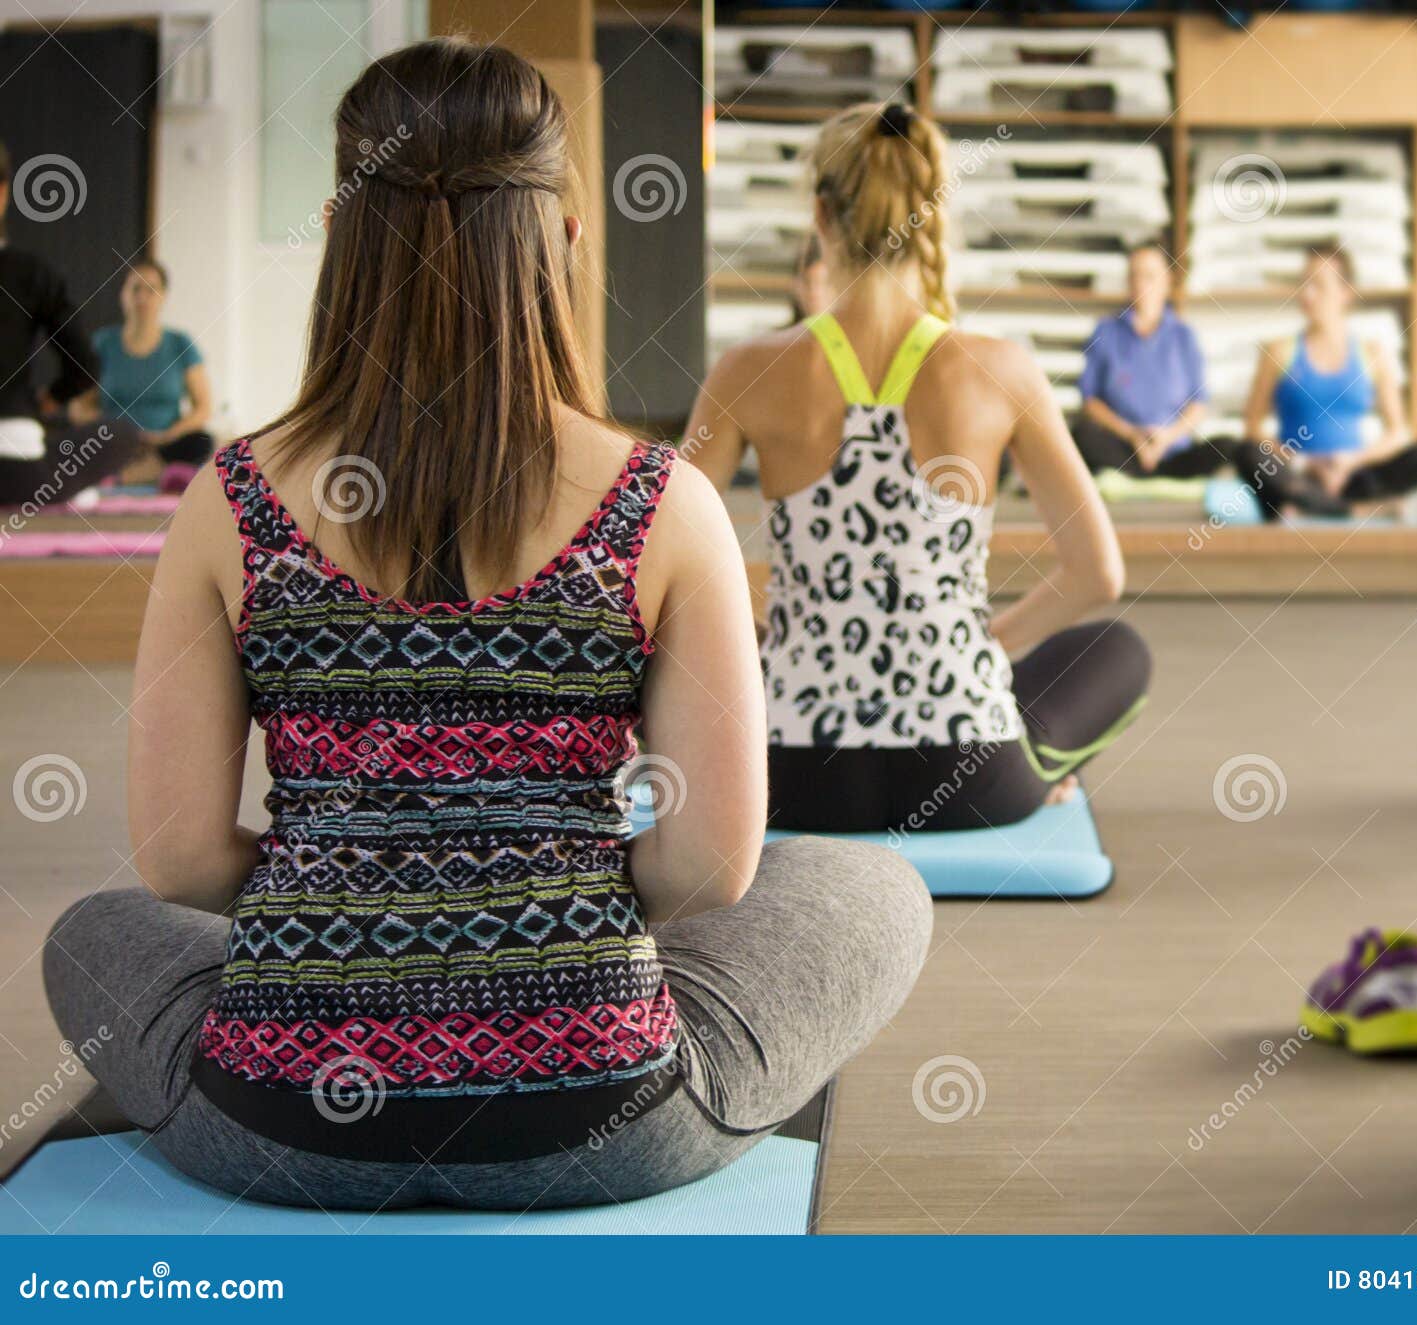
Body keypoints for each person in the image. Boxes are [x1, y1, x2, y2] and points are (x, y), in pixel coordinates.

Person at [43, 38, 930, 1211]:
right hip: (597, 1118)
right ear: (564, 234)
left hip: (279, 1122)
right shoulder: (663, 505)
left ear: (338, 228)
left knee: (91, 931)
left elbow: (180, 858)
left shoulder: (231, 501)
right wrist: (547, 906)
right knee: (874, 889)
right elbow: (711, 865)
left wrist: (360, 903)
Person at [685, 101, 1151, 833]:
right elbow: (1098, 574)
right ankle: (1045, 771)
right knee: (1118, 650)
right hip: (970, 776)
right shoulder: (1003, 369)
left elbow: (655, 553)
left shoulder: (749, 369)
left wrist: (773, 619)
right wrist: (985, 640)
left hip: (795, 779)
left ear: (821, 215)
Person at [1237, 245, 1417, 519]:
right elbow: (1252, 427)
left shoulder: (1372, 353)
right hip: (1297, 473)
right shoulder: (1278, 351)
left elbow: (1396, 432)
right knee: (1245, 453)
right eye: (1304, 284)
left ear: (1345, 293)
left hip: (1352, 473)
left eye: (1318, 286)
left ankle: (1312, 506)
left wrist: (1349, 462)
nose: (1307, 294)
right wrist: (1305, 463)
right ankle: (1345, 509)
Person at [0, 140, 140, 506]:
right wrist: (46, 400)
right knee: (121, 433)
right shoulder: (30, 273)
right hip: (16, 468)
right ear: (3, 193)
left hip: (19, 454)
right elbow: (84, 367)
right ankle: (63, 488)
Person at [1073, 242, 1234, 479]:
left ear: (1167, 281)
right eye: (1134, 276)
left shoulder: (1183, 336)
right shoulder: (1105, 331)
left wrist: (1165, 439)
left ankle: (1149, 472)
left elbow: (1198, 405)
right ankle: (1138, 470)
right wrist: (1132, 435)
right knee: (1082, 435)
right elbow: (1090, 402)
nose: (1140, 284)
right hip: (1123, 448)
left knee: (1227, 446)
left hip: (1173, 451)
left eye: (1149, 276)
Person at [85, 259, 215, 473]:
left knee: (202, 441)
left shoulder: (180, 343)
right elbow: (80, 407)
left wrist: (167, 436)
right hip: (113, 441)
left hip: (166, 443)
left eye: (151, 289)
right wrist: (118, 432)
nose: (142, 297)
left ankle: (144, 470)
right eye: (135, 289)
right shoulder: (103, 343)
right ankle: (145, 471)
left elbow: (203, 408)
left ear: (163, 295)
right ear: (123, 295)